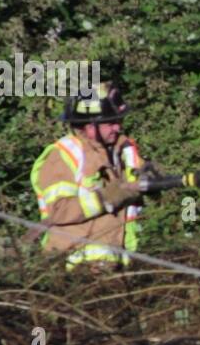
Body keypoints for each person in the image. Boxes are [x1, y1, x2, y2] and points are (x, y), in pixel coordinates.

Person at [29, 81, 149, 270]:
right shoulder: (63, 155)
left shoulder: (121, 151)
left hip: (116, 266)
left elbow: (140, 183)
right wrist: (107, 198)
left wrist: (151, 176)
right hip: (75, 268)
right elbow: (59, 211)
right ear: (89, 126)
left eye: (118, 122)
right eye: (111, 123)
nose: (117, 128)